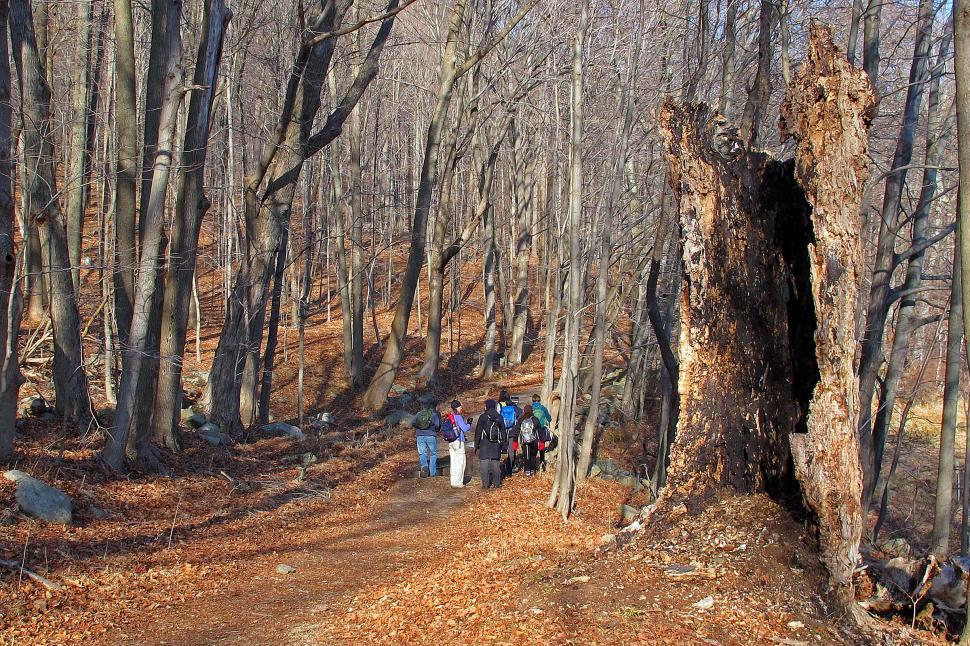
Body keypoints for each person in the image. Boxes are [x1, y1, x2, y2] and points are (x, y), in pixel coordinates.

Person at [474, 399, 506, 489]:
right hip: (496, 444)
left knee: (484, 465)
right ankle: (497, 484)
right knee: (496, 465)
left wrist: (476, 445)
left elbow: (478, 432)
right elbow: (503, 432)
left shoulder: (483, 417)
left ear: (487, 406)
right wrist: (504, 447)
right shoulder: (499, 417)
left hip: (484, 444)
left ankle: (485, 485)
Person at [443, 399, 471, 488]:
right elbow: (465, 428)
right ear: (457, 407)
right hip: (458, 442)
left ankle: (453, 481)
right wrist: (469, 424)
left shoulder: (449, 416)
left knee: (454, 462)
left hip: (451, 442)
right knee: (461, 462)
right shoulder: (458, 417)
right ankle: (458, 483)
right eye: (460, 406)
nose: (461, 408)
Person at [412, 398, 441, 478]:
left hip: (420, 436)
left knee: (422, 453)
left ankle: (424, 468)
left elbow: (412, 422)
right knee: (433, 454)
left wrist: (419, 427)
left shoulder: (418, 414)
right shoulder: (434, 414)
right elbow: (438, 425)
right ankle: (432, 472)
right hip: (431, 436)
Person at [498, 390, 520, 476]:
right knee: (511, 450)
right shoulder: (513, 405)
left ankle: (500, 468)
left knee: (502, 449)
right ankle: (510, 468)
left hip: (502, 431)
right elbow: (520, 414)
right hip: (513, 431)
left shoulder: (499, 405)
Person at [516, 404, 541, 476]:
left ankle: (527, 471)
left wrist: (515, 441)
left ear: (524, 411)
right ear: (532, 411)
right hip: (534, 441)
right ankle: (533, 470)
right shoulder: (535, 419)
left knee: (526, 455)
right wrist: (541, 441)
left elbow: (516, 431)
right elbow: (540, 431)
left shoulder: (521, 420)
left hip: (524, 441)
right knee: (533, 455)